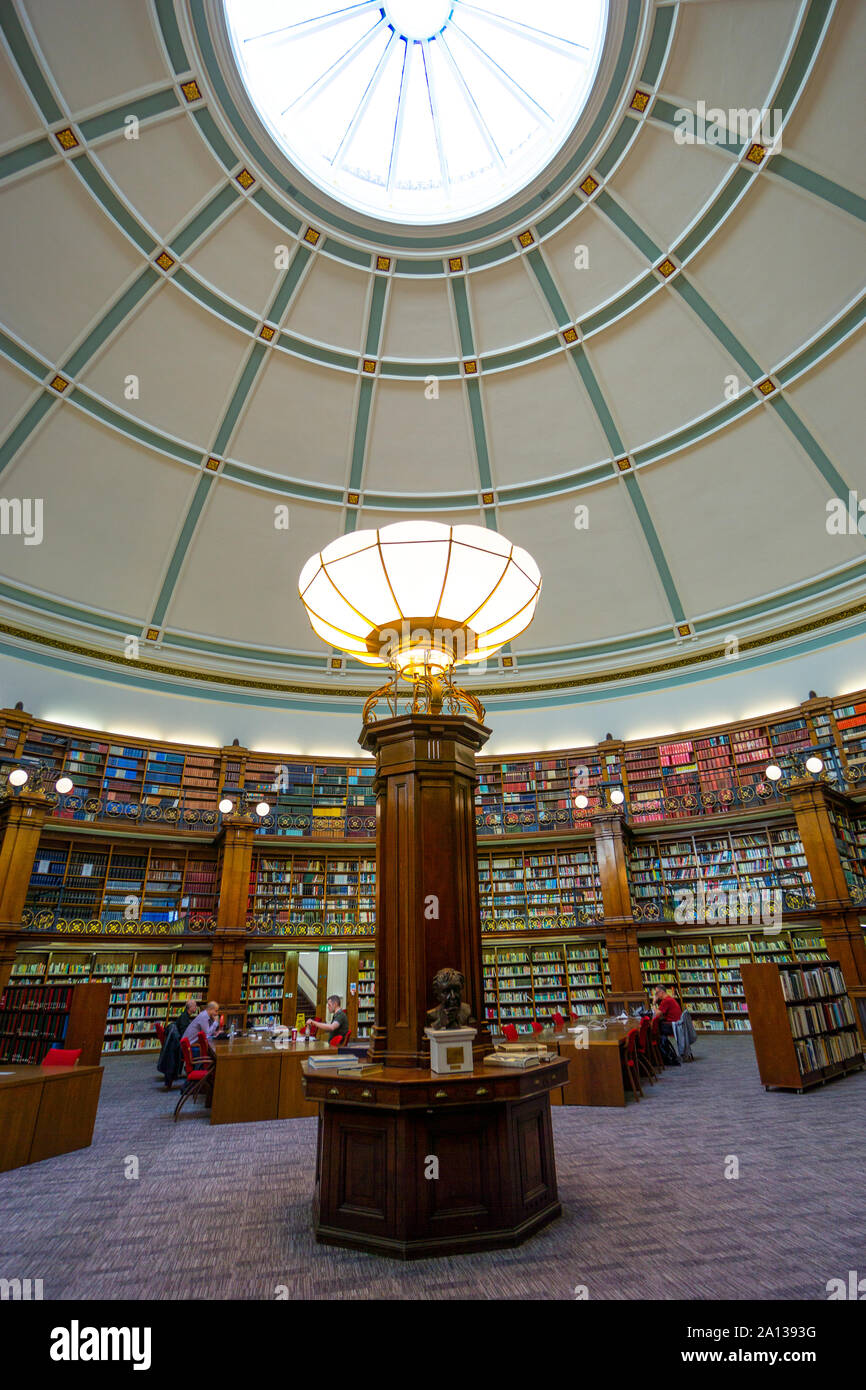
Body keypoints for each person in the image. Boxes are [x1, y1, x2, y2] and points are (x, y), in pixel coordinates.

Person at [652, 985, 682, 1063]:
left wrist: (654, 1004)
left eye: (657, 993)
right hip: (676, 1025)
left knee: (655, 1031)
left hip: (673, 1026)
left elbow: (658, 1014)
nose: (656, 995)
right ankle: (664, 1053)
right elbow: (661, 1013)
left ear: (662, 992)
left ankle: (663, 1055)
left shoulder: (666, 1001)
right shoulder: (669, 999)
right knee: (658, 1028)